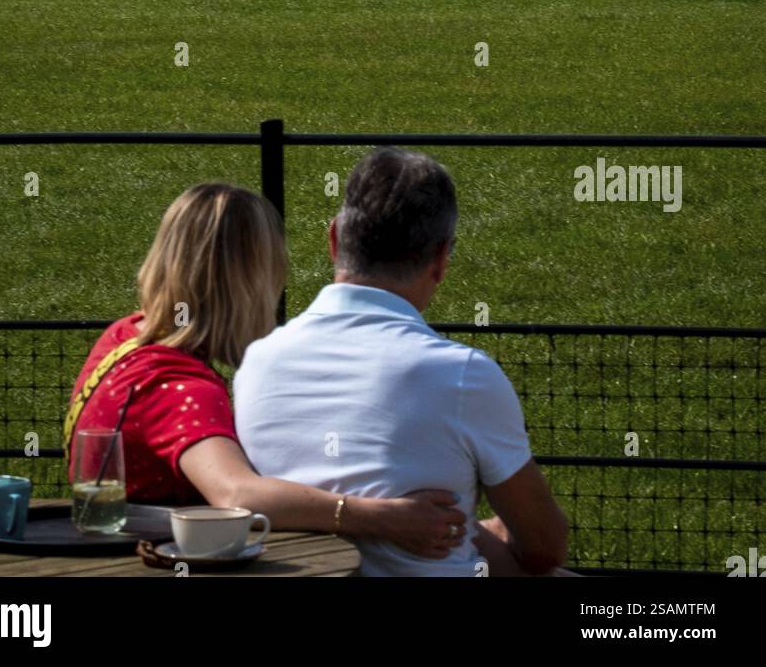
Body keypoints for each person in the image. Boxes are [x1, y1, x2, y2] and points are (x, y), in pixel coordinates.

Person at [65, 183, 466, 558]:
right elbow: (237, 495)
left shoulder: (125, 336)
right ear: (251, 283)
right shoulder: (179, 387)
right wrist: (383, 517)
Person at [234, 149, 571, 577]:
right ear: (441, 259)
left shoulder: (257, 361)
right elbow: (543, 550)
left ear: (335, 238)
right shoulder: (465, 375)